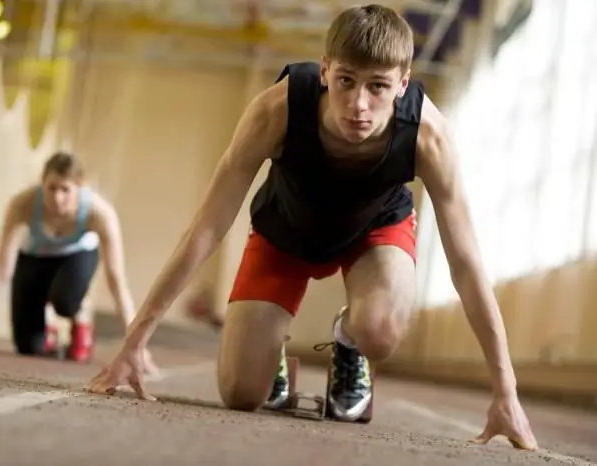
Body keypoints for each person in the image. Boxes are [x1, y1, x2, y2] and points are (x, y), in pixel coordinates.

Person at [86, 4, 537, 450]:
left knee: (379, 330)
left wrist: (506, 391)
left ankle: (350, 342)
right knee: (243, 394)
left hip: (374, 233)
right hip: (284, 230)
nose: (359, 104)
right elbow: (206, 228)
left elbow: (466, 262)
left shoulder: (428, 137)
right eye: (346, 81)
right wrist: (134, 341)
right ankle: (270, 353)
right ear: (325, 71)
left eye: (378, 86)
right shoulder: (275, 111)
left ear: (403, 84)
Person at [0, 152, 158, 372]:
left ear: (80, 187)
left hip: (76, 257)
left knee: (65, 302)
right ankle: (48, 325)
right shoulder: (22, 204)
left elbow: (116, 280)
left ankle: (80, 315)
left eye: (65, 190)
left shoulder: (99, 213)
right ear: (42, 184)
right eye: (51, 188)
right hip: (34, 258)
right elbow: (1, 270)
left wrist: (136, 345)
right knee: (28, 347)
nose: (57, 197)